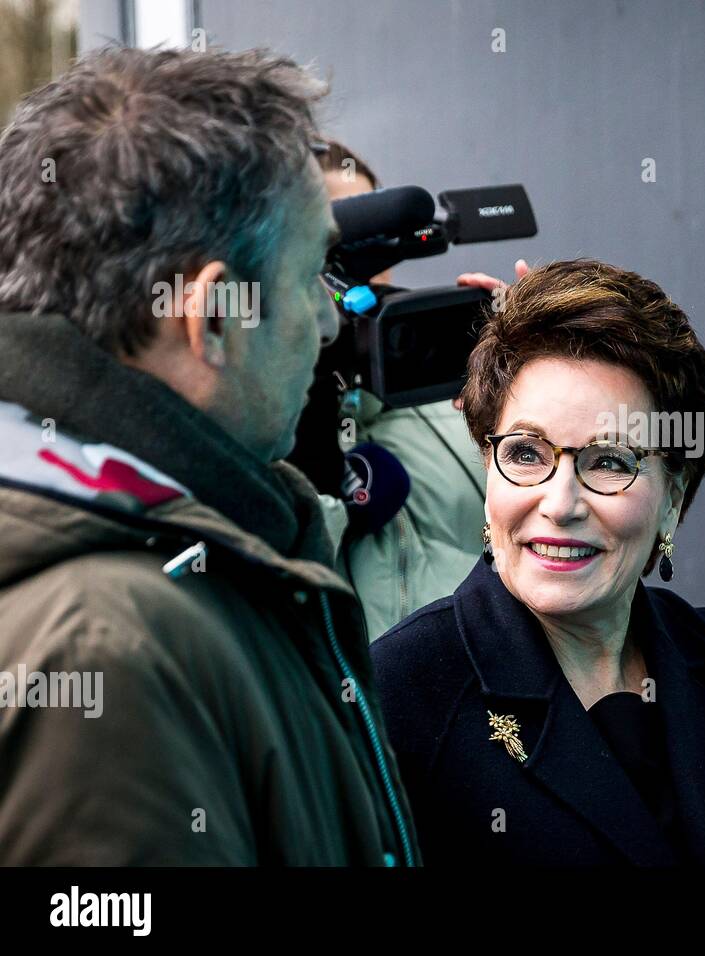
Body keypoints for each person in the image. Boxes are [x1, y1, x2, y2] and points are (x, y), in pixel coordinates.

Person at [0, 46, 418, 865]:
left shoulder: (165, 562)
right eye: (312, 279)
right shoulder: (108, 652)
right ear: (214, 317)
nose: (333, 325)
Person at [371, 259, 705, 865]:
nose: (560, 503)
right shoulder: (402, 691)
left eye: (610, 462)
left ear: (673, 500)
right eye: (524, 452)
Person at [303, 140, 526, 640]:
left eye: (367, 242)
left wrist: (534, 383)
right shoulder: (260, 423)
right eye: (328, 242)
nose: (350, 267)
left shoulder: (458, 406)